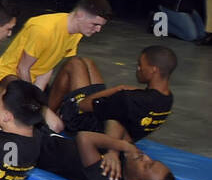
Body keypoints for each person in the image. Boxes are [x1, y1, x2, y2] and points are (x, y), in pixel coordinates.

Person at [45, 48, 175, 143]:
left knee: (74, 64)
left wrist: (118, 89)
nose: (138, 69)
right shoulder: (167, 98)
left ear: (154, 70)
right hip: (108, 122)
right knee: (87, 63)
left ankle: (46, 118)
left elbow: (83, 105)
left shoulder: (128, 98)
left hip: (84, 125)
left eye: (141, 65)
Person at [0, 0, 112, 90]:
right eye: (95, 24)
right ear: (80, 15)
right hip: (8, 77)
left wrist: (40, 95)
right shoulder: (43, 29)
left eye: (101, 26)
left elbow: (47, 67)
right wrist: (34, 98)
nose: (98, 29)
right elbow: (22, 68)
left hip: (33, 80)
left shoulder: (77, 33)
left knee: (55, 122)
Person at [36, 131, 175, 180]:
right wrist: (113, 152)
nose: (145, 157)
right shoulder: (127, 166)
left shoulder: (107, 179)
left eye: (147, 165)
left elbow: (84, 138)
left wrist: (122, 146)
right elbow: (117, 122)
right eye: (152, 159)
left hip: (34, 144)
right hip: (46, 134)